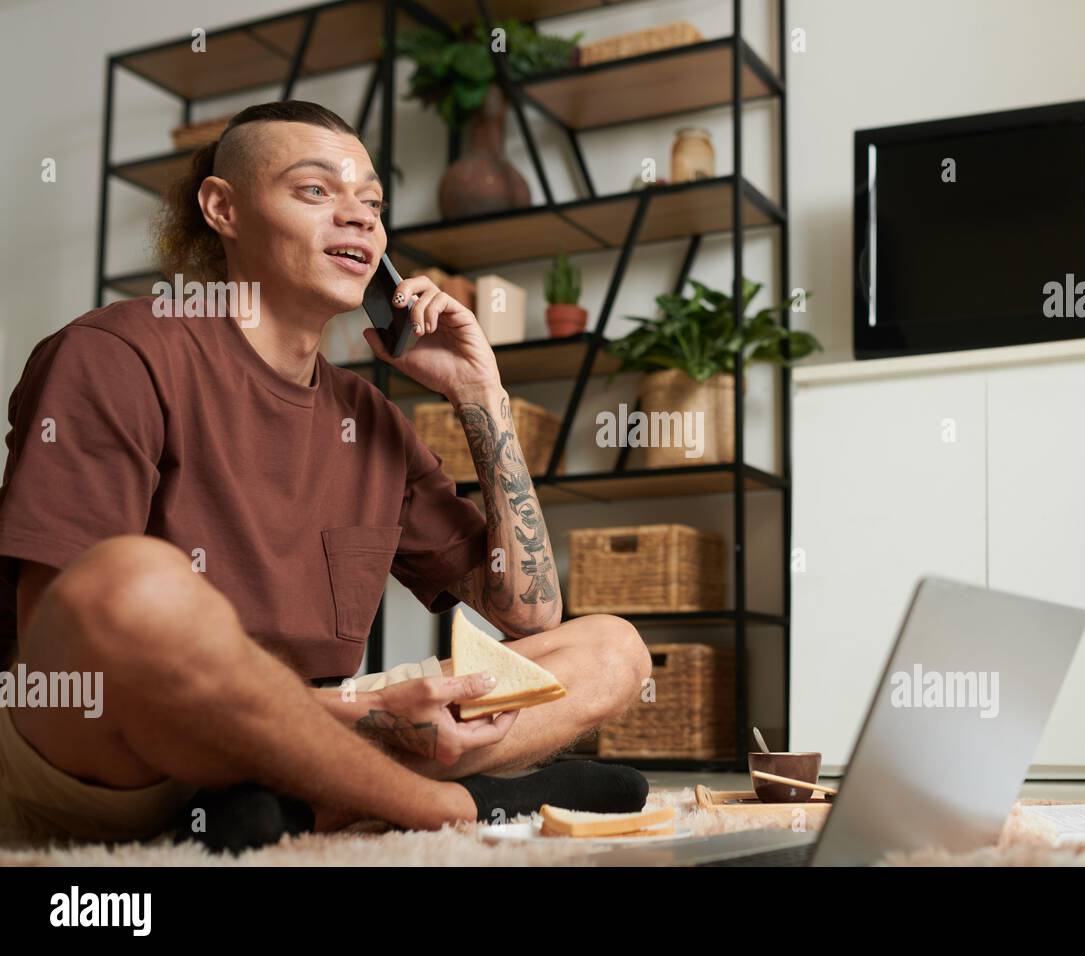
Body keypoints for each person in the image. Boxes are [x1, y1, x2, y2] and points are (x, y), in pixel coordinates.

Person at [0, 100, 652, 848]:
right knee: (131, 581)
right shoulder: (116, 354)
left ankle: (303, 802)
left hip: (305, 734)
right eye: (316, 191)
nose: (360, 221)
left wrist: (482, 396)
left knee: (611, 650)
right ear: (224, 209)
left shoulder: (369, 417)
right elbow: (74, 639)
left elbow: (528, 616)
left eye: (372, 204)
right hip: (122, 745)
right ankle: (452, 807)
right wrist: (363, 716)